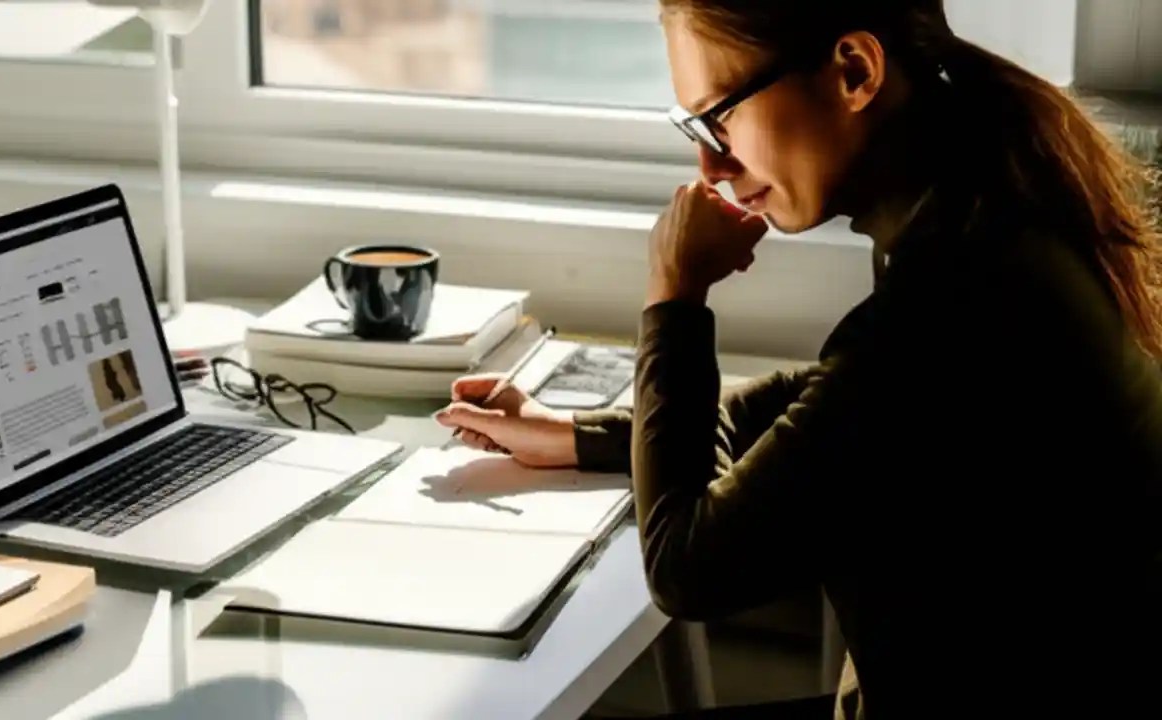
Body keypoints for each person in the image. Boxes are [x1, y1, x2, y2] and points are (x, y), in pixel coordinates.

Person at [436, 1, 1162, 718]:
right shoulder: (983, 206)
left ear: (853, 70)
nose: (711, 165)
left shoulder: (954, 292)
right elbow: (829, 401)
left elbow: (687, 567)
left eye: (721, 114)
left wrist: (676, 296)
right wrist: (581, 433)